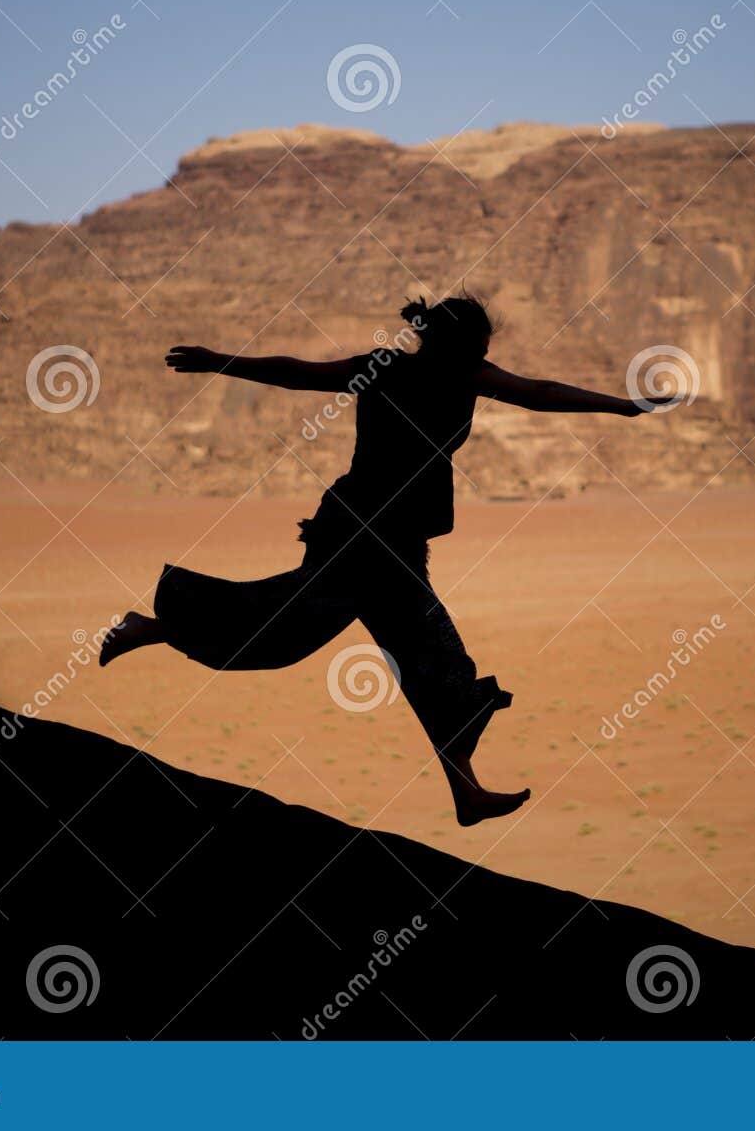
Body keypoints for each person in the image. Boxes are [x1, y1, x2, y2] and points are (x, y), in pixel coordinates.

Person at [100, 294, 676, 825]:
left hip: (386, 537)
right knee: (305, 631)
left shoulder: (426, 371)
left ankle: (465, 791)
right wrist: (220, 362)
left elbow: (540, 392)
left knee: (418, 655)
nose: (486, 354)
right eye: (481, 344)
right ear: (462, 344)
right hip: (363, 537)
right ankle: (153, 625)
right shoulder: (433, 372)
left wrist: (624, 407)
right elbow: (299, 373)